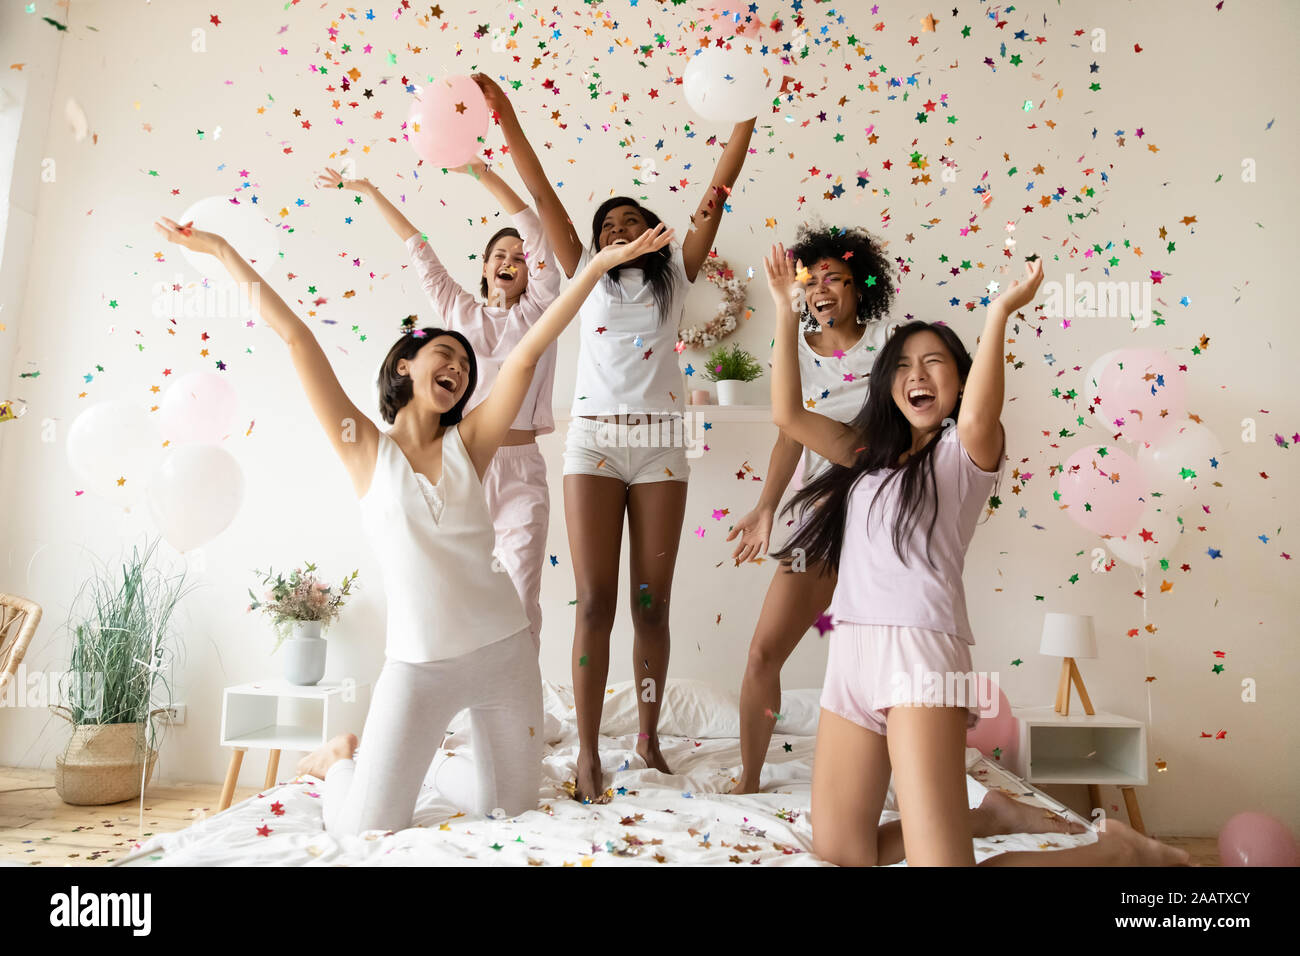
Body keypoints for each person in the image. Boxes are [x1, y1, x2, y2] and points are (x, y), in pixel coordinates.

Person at [152, 211, 672, 834]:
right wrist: (220, 248)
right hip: (418, 669)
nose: (459, 367)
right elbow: (294, 336)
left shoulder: (472, 444)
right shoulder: (362, 447)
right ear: (404, 367)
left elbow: (529, 352)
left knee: (511, 813)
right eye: (445, 354)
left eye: (465, 367)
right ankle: (344, 761)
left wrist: (597, 267)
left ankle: (430, 769)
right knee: (363, 828)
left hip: (505, 658)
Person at [764, 244, 1189, 866]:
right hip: (851, 654)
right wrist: (782, 308)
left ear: (960, 382)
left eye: (935, 363)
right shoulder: (863, 456)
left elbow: (984, 408)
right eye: (904, 365)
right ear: (886, 384)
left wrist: (998, 318)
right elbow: (786, 414)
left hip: (920, 656)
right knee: (844, 854)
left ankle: (1118, 853)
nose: (918, 375)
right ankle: (987, 815)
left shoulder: (963, 455)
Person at [472, 72, 757, 802]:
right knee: (595, 601)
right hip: (593, 446)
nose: (617, 230)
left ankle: (651, 740)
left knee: (650, 602)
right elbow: (541, 199)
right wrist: (505, 117)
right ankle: (590, 754)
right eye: (607, 226)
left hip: (663, 447)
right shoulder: (584, 276)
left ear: (655, 235)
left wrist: (745, 116)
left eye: (632, 222)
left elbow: (716, 194)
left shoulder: (678, 277)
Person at [314, 160, 557, 649]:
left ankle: (519, 712)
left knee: (521, 592)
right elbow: (418, 250)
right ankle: (460, 702)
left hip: (521, 466)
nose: (510, 259)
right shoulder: (458, 311)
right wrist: (368, 189)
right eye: (499, 254)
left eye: (520, 256)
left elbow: (538, 232)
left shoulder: (540, 309)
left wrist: (480, 172)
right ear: (486, 266)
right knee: (455, 588)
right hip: (462, 464)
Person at [725, 222, 899, 794]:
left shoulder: (891, 342)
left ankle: (899, 773)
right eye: (812, 281)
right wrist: (766, 507)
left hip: (880, 513)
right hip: (820, 521)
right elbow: (789, 435)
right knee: (761, 653)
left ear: (860, 287)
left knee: (882, 662)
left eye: (837, 279)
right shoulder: (794, 350)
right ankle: (749, 778)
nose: (823, 289)